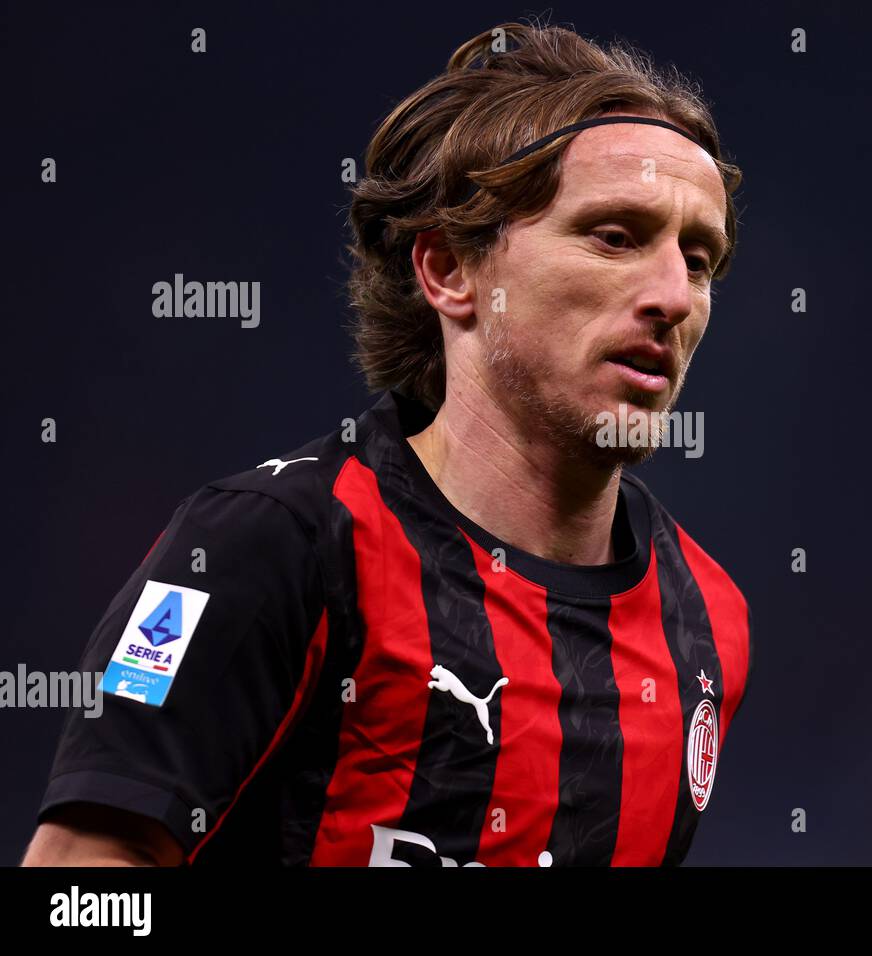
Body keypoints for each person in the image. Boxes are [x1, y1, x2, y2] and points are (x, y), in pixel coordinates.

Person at [23, 19, 751, 867]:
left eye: (698, 259)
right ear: (449, 270)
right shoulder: (270, 545)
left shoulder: (707, 623)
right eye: (615, 237)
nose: (672, 294)